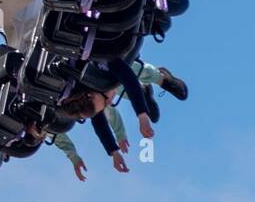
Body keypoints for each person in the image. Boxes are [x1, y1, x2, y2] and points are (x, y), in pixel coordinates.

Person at [54, 61, 189, 179]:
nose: (109, 103)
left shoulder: (99, 65)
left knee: (119, 76)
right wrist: (114, 151)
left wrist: (142, 116)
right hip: (100, 81)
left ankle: (162, 78)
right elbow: (99, 120)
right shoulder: (87, 94)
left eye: (106, 101)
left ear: (92, 91)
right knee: (115, 91)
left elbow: (127, 76)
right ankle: (143, 91)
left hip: (113, 55)